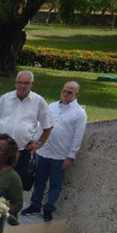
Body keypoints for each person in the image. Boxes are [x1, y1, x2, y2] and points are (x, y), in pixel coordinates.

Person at [0, 70, 53, 224]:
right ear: (15, 83)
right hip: (0, 150)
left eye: (26, 83)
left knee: (17, 183)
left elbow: (48, 126)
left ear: (32, 84)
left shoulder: (39, 101)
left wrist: (38, 144)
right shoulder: (5, 99)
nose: (22, 86)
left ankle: (13, 213)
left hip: (22, 151)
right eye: (20, 82)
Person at [22, 82, 86, 222]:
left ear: (76, 94)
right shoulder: (51, 106)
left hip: (60, 155)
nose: (65, 94)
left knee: (55, 184)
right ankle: (35, 205)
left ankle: (49, 208)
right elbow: (43, 126)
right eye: (64, 90)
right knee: (39, 180)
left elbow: (78, 137)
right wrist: (36, 143)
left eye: (70, 92)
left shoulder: (80, 113)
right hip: (44, 151)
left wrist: (71, 156)